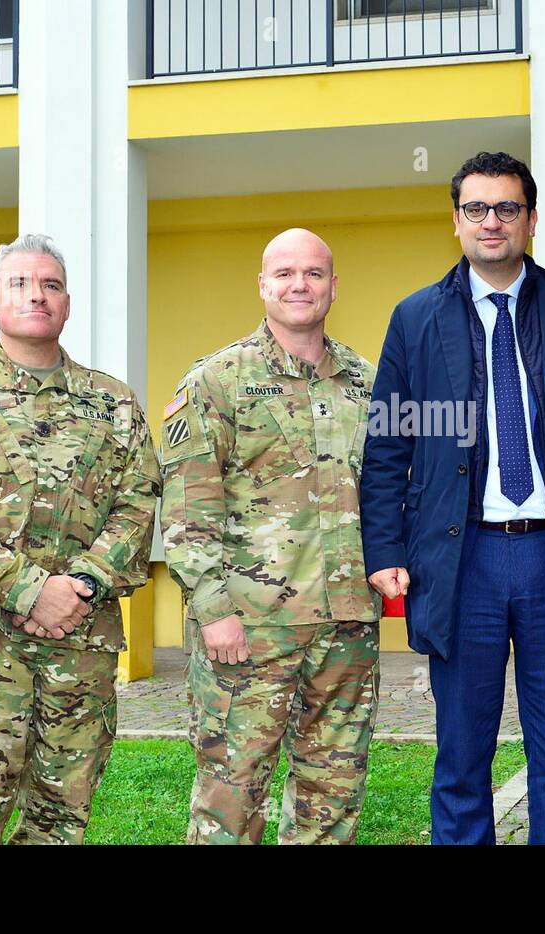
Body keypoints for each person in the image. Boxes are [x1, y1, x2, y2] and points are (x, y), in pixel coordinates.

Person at [360, 152, 545, 845]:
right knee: (461, 751)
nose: (493, 222)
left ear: (532, 219)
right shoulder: (416, 318)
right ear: (456, 221)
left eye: (508, 208)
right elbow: (387, 447)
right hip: (462, 562)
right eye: (478, 209)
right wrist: (387, 551)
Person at [0, 233, 161, 844]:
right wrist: (29, 591)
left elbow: (139, 503)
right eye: (19, 283)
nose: (36, 296)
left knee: (61, 820)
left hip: (80, 643)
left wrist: (84, 585)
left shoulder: (113, 404)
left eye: (50, 285)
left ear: (67, 304)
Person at [160, 228, 379, 845]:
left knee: (332, 795)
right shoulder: (215, 382)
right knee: (232, 794)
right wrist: (213, 613)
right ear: (263, 286)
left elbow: (392, 493)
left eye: (313, 273)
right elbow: (185, 511)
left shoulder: (366, 382)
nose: (299, 285)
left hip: (347, 627)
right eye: (285, 273)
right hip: (249, 629)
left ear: (334, 286)